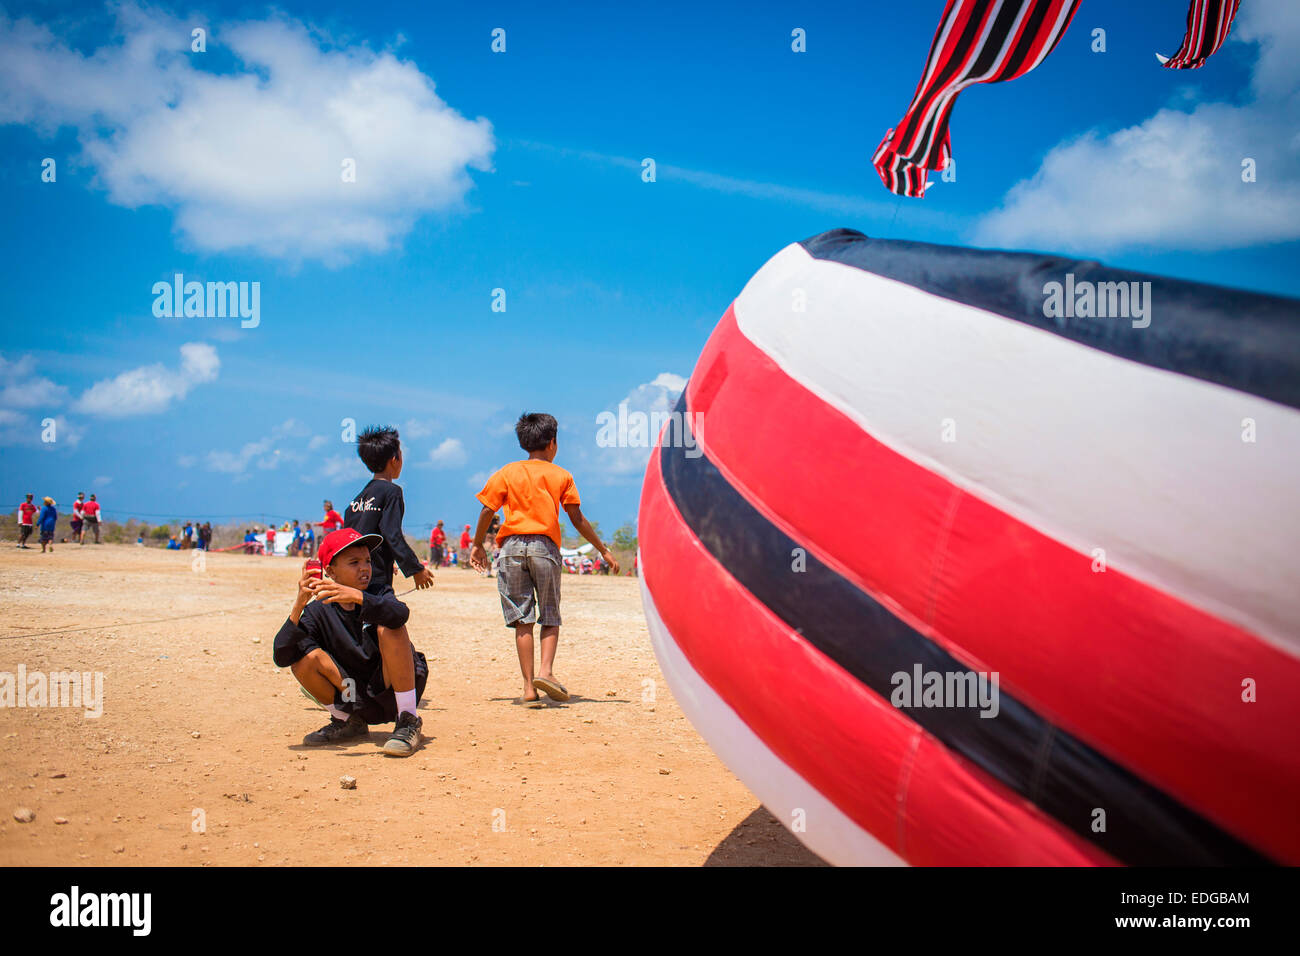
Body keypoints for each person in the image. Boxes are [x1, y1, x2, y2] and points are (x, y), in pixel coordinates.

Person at [471, 412, 619, 707]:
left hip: (511, 548)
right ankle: (546, 672)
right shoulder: (561, 475)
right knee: (549, 615)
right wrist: (603, 549)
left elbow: (488, 510)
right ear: (552, 443)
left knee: (521, 620)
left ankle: (528, 688)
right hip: (544, 546)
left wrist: (477, 545)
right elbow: (576, 517)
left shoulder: (507, 472)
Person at [273, 528, 430, 753]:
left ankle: (408, 720)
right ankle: (347, 721)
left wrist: (358, 597)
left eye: (367, 560)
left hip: (389, 688)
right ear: (330, 571)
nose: (365, 568)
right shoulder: (319, 611)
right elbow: (282, 656)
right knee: (303, 660)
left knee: (390, 625)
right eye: (354, 562)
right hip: (354, 694)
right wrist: (299, 605)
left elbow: (399, 614)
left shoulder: (378, 591)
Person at [342, 426, 435, 755]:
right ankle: (405, 713)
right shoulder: (391, 492)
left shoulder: (356, 501)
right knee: (390, 629)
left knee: (362, 639)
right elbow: (391, 534)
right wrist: (416, 569)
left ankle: (355, 712)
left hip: (349, 580)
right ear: (395, 460)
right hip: (376, 581)